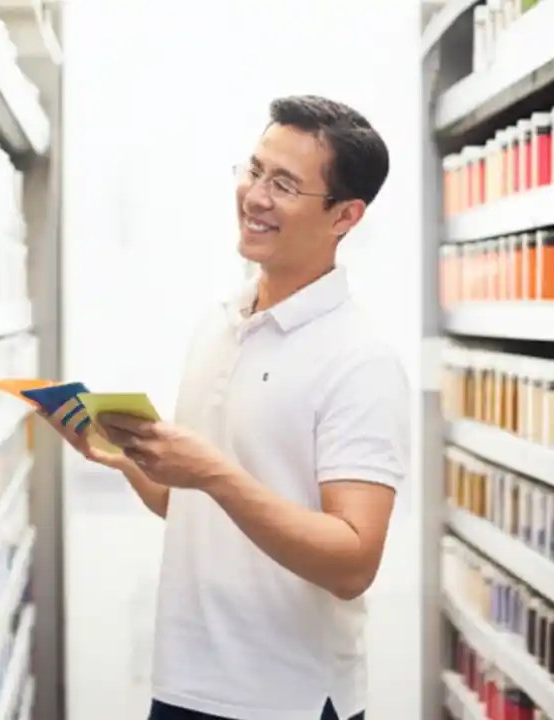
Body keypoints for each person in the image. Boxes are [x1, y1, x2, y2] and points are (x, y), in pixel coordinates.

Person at [41, 94, 407, 720]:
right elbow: (194, 512)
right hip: (186, 682)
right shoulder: (221, 325)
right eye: (255, 170)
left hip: (284, 700)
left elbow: (353, 562)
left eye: (285, 184)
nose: (256, 196)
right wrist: (124, 457)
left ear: (346, 215)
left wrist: (212, 470)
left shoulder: (360, 359)